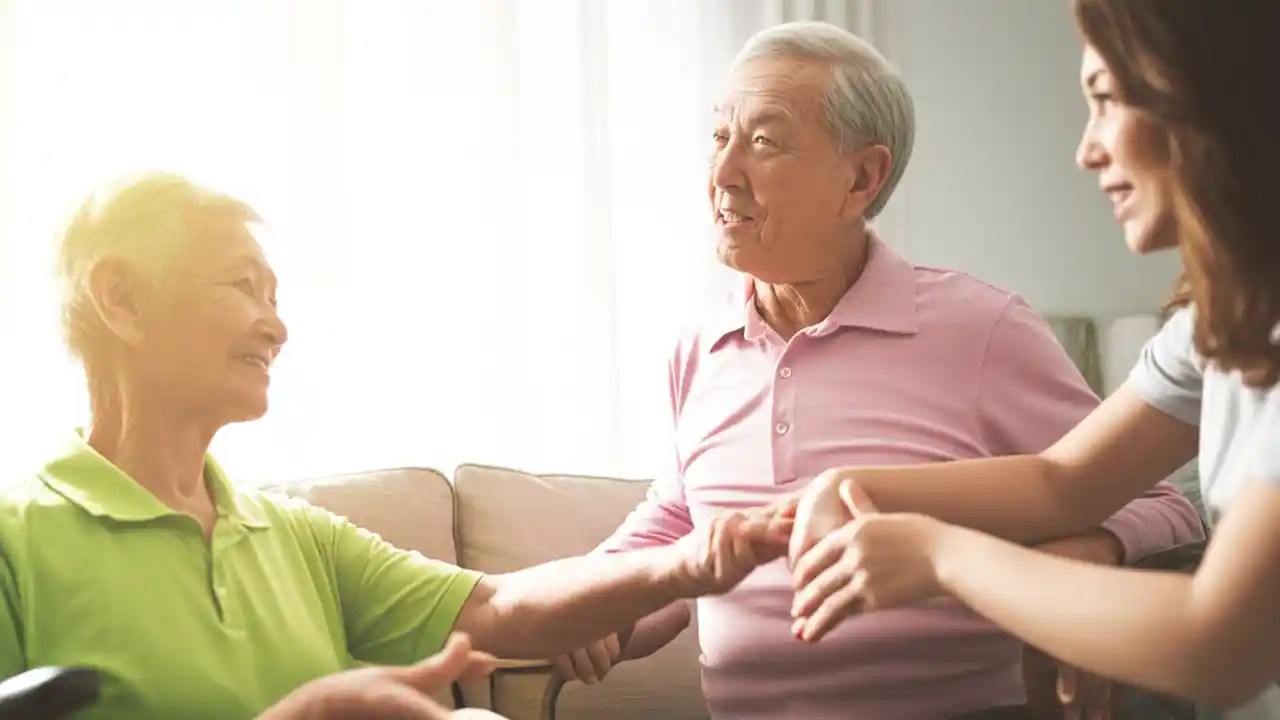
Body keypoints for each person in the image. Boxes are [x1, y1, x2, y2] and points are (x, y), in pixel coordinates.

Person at [551, 20, 1204, 720]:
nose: (724, 173)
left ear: (862, 178)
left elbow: (1158, 504)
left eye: (763, 141)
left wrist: (1089, 551)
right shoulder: (698, 350)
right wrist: (596, 603)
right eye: (719, 137)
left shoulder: (982, 331)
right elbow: (678, 526)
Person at [0, 172, 792, 720]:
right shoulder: (16, 544)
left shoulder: (295, 534)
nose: (278, 328)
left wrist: (691, 564)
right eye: (244, 287)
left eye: (275, 297)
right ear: (122, 300)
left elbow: (496, 608)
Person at [786, 1, 1280, 718]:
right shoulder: (1221, 322)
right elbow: (1064, 481)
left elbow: (1221, 644)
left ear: (1210, 94)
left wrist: (941, 556)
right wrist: (849, 486)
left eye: (1106, 100)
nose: (1087, 150)